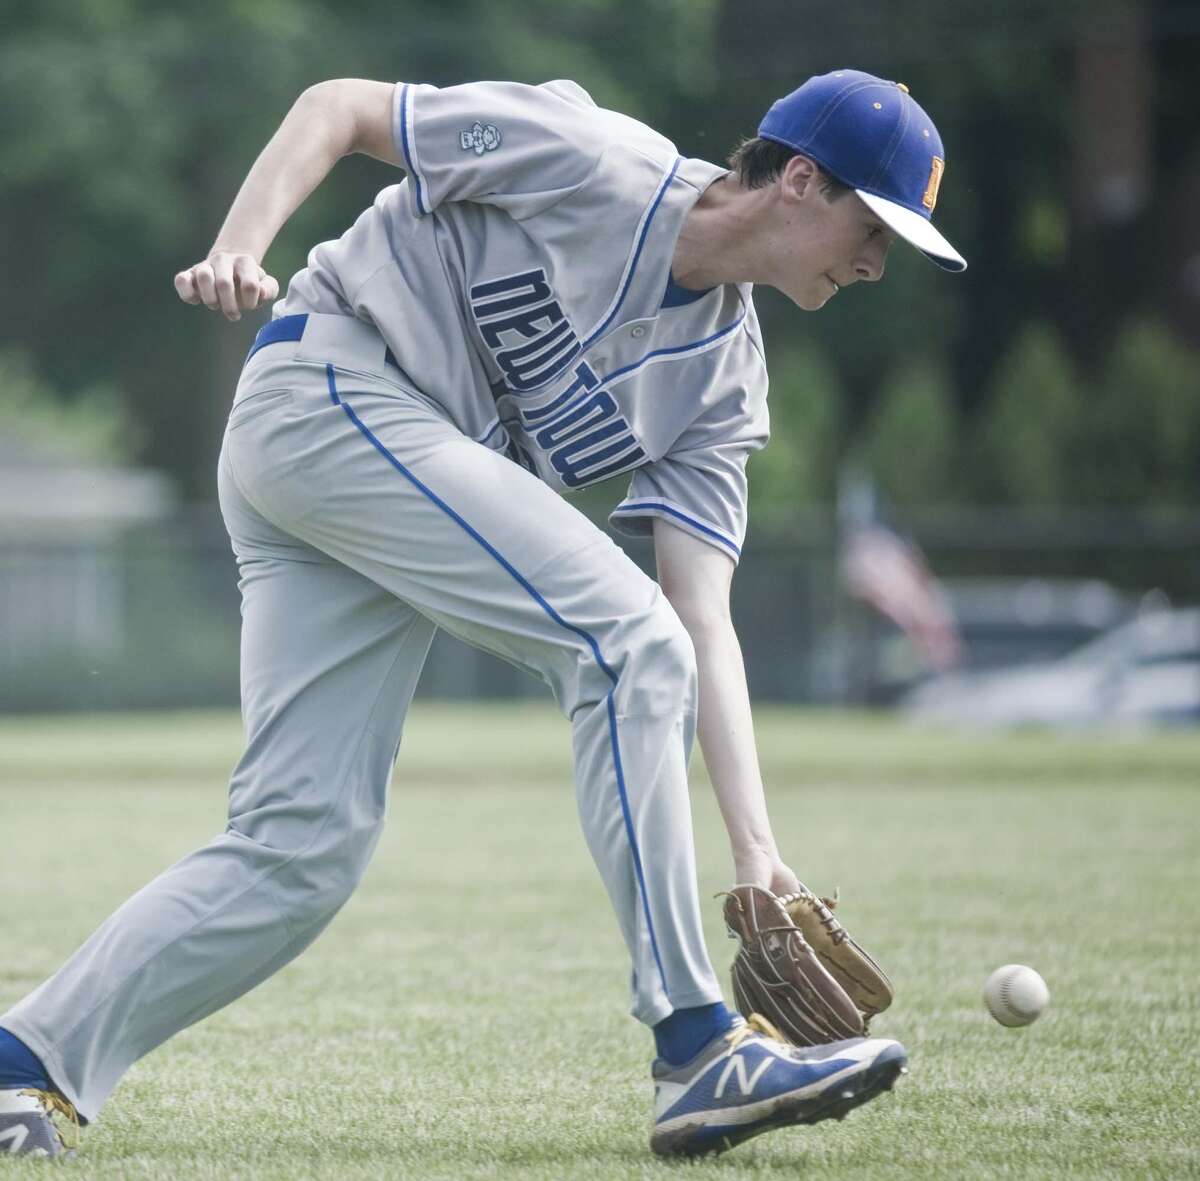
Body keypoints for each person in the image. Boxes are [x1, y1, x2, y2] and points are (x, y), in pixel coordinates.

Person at [0, 68, 965, 1159]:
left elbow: (704, 618)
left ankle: (17, 1061)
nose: (880, 260)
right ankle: (699, 1047)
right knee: (619, 638)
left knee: (302, 849)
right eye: (875, 224)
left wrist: (757, 849)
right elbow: (343, 108)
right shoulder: (593, 157)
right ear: (799, 180)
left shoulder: (723, 381)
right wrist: (241, 243)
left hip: (380, 477)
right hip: (325, 390)